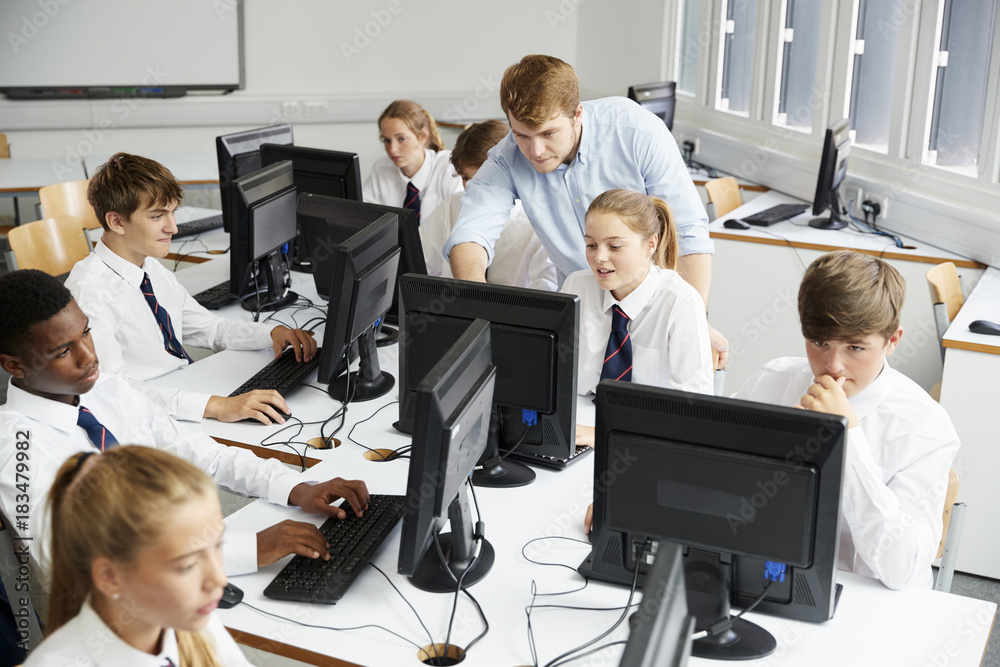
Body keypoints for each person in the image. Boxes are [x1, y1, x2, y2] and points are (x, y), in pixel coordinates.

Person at [0, 270, 370, 579]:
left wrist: (294, 487)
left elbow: (202, 454)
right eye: (63, 351)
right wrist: (247, 549)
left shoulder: (107, 390)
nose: (89, 357)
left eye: (86, 333)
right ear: (14, 366)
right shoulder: (15, 450)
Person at [443, 54, 728, 367]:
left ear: (577, 114)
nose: (535, 151)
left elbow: (688, 233)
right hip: (583, 316)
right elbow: (469, 236)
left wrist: (693, 323)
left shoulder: (637, 131)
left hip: (658, 308)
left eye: (548, 133)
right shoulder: (506, 157)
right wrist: (480, 308)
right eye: (521, 135)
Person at [730, 250, 959, 589]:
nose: (833, 365)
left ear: (892, 341)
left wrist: (847, 438)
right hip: (766, 577)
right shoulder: (771, 382)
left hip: (867, 595)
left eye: (855, 348)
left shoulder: (925, 427)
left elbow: (903, 569)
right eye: (819, 342)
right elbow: (717, 484)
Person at [65, 152, 317, 425]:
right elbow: (112, 389)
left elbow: (209, 328)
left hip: (181, 392)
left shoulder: (150, 268)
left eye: (173, 212)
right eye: (157, 216)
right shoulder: (89, 292)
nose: (172, 227)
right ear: (117, 222)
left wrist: (273, 334)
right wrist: (216, 406)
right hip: (148, 416)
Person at [24, 447, 250, 666]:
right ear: (110, 577)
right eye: (188, 566)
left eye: (218, 546)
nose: (220, 580)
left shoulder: (196, 623)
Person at [562, 189, 713, 446]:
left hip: (649, 438)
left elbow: (693, 413)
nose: (599, 257)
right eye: (591, 245)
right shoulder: (577, 286)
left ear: (650, 245)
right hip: (579, 422)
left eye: (615, 246)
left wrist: (602, 434)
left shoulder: (681, 302)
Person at [421, 119, 557, 290]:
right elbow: (419, 264)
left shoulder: (538, 222)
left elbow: (549, 289)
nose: (473, 189)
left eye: (482, 180)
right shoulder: (452, 206)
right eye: (466, 178)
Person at [363, 99, 463, 223]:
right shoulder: (381, 169)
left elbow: (460, 221)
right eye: (387, 140)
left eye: (401, 139)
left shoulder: (448, 167)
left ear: (422, 136)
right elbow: (363, 216)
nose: (392, 149)